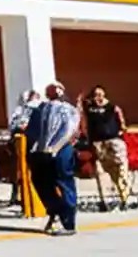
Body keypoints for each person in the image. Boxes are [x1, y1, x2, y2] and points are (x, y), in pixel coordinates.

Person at [26, 80, 81, 236]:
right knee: (40, 180)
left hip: (61, 149)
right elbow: (32, 128)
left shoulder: (68, 109)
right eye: (49, 89)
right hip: (41, 151)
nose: (52, 91)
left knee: (63, 181)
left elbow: (68, 130)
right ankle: (55, 212)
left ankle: (68, 223)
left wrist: (56, 147)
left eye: (55, 88)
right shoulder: (41, 108)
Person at [84, 85, 131, 207]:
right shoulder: (89, 109)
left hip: (114, 142)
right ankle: (105, 201)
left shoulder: (113, 108)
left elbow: (122, 124)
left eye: (100, 95)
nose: (98, 98)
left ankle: (124, 197)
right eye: (95, 95)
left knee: (120, 171)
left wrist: (120, 133)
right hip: (98, 144)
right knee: (100, 172)